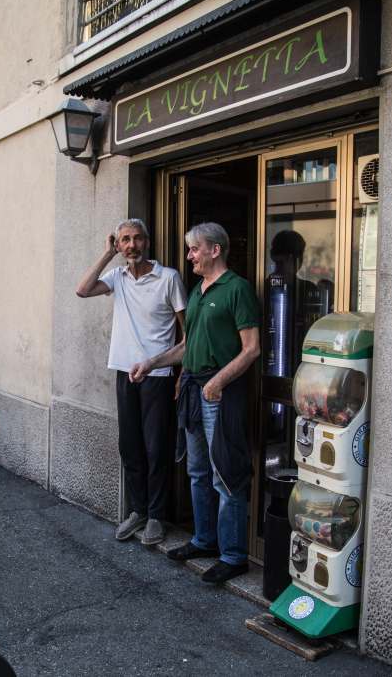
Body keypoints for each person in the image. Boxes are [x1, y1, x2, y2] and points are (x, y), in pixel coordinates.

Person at [131, 222, 260, 584]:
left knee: (226, 474)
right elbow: (188, 346)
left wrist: (218, 381)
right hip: (194, 390)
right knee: (197, 472)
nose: (189, 256)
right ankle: (204, 540)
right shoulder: (199, 291)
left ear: (215, 250)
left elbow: (251, 349)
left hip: (220, 393)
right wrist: (151, 363)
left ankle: (233, 556)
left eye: (194, 249)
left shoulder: (237, 289)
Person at [76, 218, 187, 546]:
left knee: (156, 448)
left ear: (147, 242)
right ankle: (138, 510)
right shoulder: (118, 277)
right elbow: (82, 289)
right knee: (131, 446)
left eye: (137, 239)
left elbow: (187, 333)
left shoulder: (169, 278)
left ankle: (156, 516)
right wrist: (106, 254)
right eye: (125, 240)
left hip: (158, 375)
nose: (131, 245)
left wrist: (178, 373)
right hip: (124, 372)